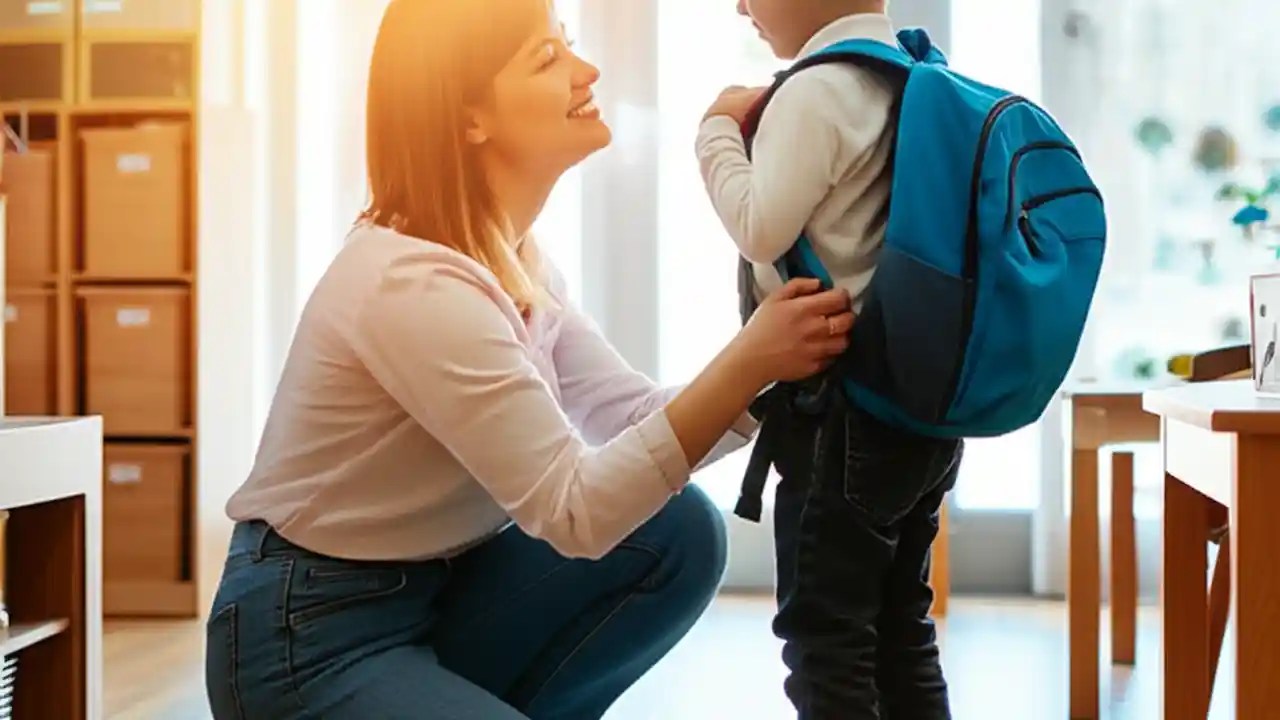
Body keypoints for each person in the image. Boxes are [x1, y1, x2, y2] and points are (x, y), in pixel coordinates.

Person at [203, 0, 856, 718]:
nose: (588, 71)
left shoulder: (513, 263)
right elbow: (574, 508)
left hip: (439, 595)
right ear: (470, 116)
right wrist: (752, 357)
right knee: (639, 521)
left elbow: (632, 417)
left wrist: (781, 366)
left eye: (568, 46)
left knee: (675, 535)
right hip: (307, 636)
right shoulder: (411, 283)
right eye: (549, 59)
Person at [695, 2, 965, 718]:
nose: (741, 6)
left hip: (841, 421)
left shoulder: (816, 90)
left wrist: (716, 133)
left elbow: (761, 226)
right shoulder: (911, 78)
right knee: (900, 627)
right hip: (917, 408)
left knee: (827, 640)